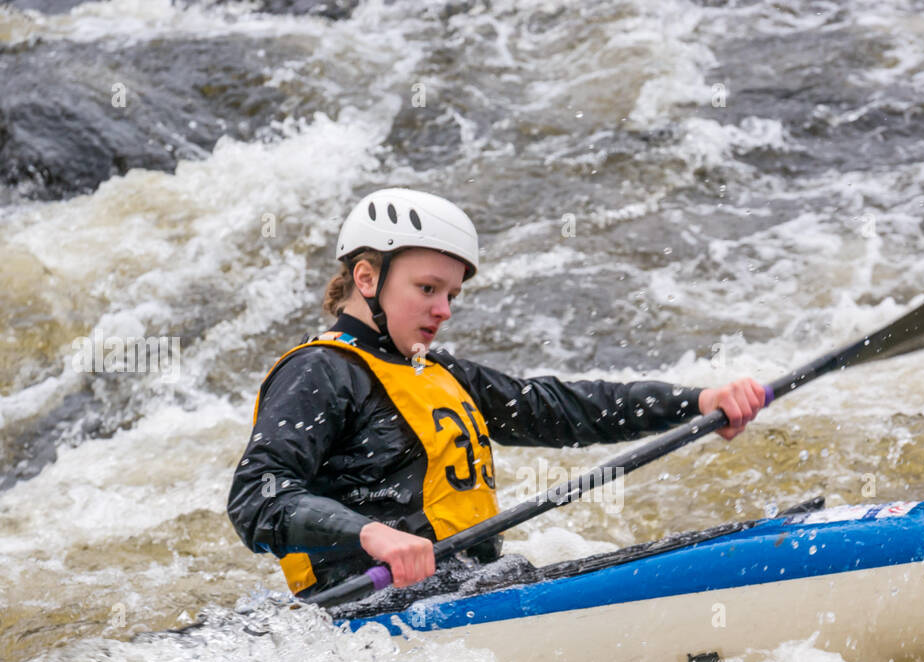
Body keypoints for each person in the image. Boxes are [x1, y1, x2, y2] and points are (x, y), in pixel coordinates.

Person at [227, 188, 766, 599]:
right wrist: (369, 534)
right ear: (367, 278)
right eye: (428, 289)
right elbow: (257, 498)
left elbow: (558, 408)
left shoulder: (436, 371)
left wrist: (695, 402)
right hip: (370, 608)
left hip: (466, 586)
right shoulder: (317, 372)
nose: (445, 310)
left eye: (452, 293)